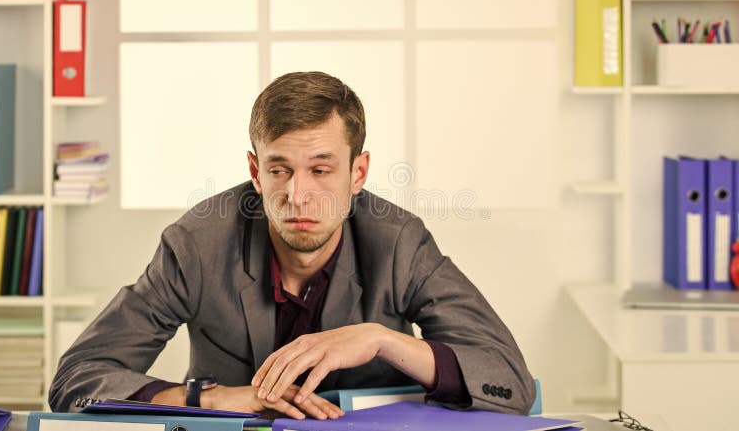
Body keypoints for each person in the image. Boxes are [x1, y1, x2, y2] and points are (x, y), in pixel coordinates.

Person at [49, 71, 535, 419]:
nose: (297, 195)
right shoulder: (196, 245)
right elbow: (78, 377)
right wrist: (207, 397)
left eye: (321, 170)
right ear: (256, 172)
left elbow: (508, 381)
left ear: (357, 173)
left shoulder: (400, 243)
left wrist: (381, 339)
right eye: (279, 169)